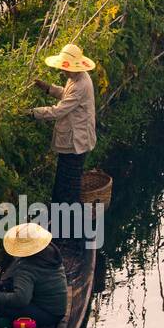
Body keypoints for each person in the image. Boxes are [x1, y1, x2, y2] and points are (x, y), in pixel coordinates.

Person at [29, 43, 97, 213]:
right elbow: (67, 94)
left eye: (65, 68)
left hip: (76, 143)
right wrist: (48, 88)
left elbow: (59, 110)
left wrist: (32, 113)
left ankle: (69, 229)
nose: (63, 71)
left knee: (68, 187)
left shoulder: (81, 84)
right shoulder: (76, 77)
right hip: (75, 141)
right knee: (64, 184)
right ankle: (65, 221)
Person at [0, 223, 67, 328]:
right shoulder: (51, 252)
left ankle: (9, 324)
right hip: (59, 309)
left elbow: (21, 300)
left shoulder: (26, 268)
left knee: (4, 306)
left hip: (49, 315)